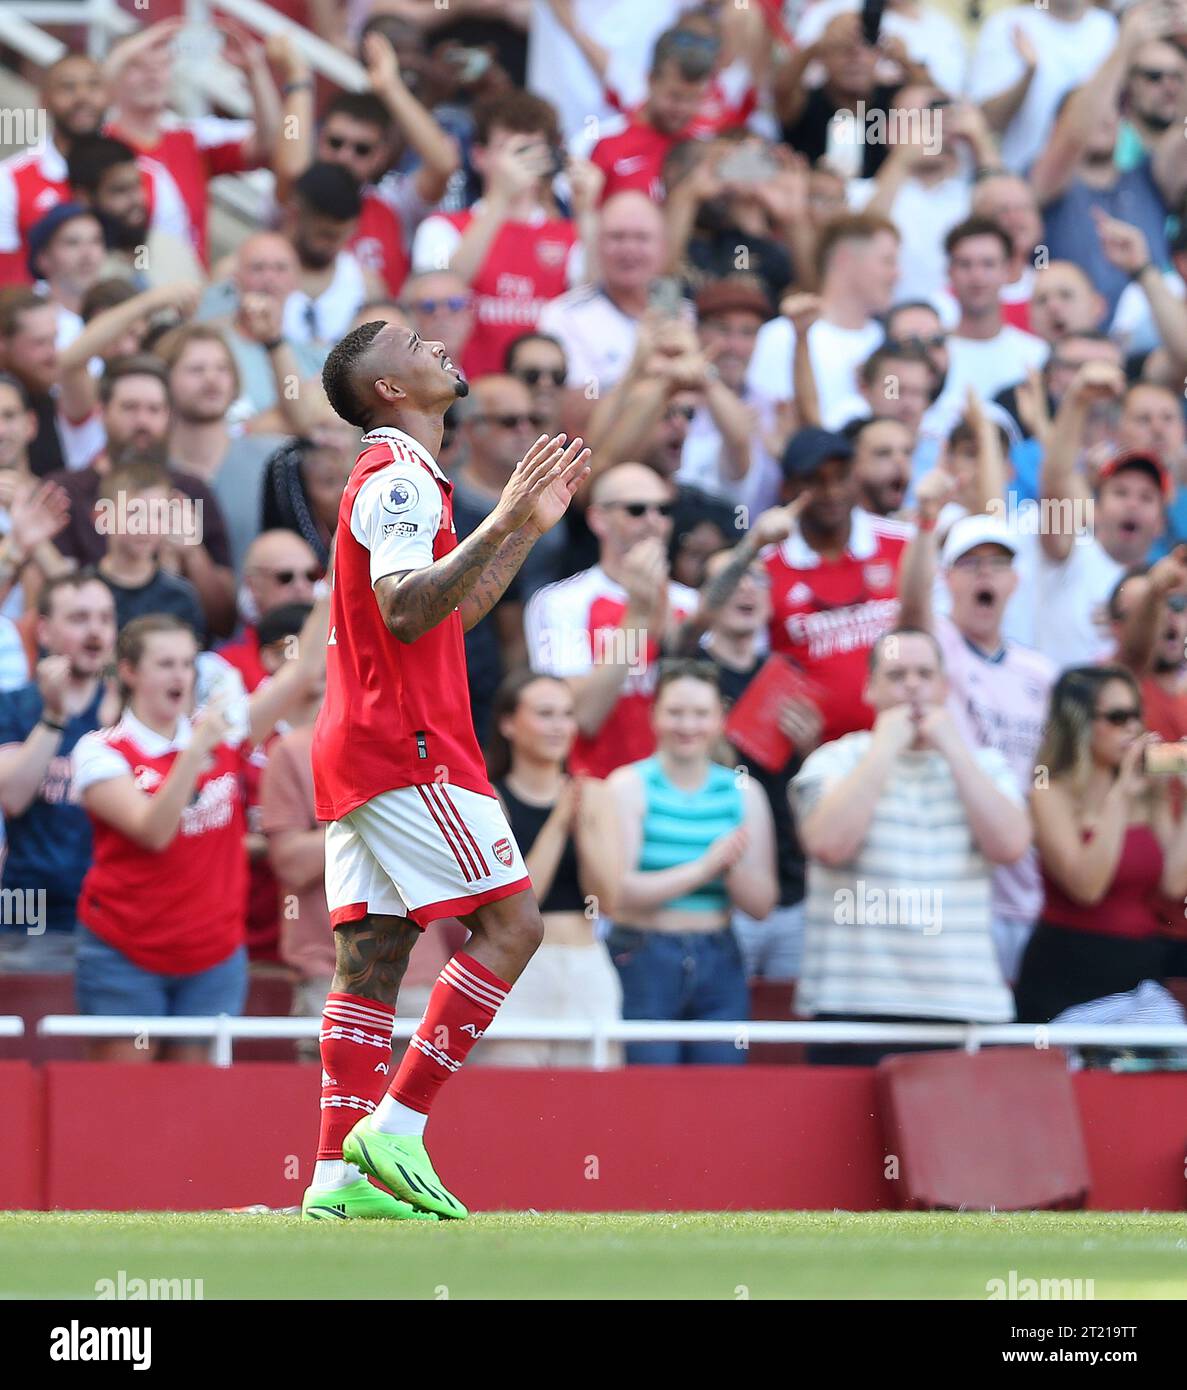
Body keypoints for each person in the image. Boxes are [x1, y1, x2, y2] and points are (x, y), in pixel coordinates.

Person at [304, 315, 590, 1222]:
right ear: (385, 389)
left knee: (373, 958)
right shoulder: (397, 477)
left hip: (359, 739)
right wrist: (501, 515)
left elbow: (447, 614)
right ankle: (398, 1125)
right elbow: (401, 608)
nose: (428, 338)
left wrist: (520, 532)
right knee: (512, 928)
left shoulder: (404, 476)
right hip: (409, 745)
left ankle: (333, 1179)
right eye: (403, 339)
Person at [71, 599, 328, 1061]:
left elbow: (303, 671)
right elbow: (153, 832)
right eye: (165, 664)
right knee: (122, 1103)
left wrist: (332, 584)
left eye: (188, 664)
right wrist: (193, 755)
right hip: (125, 951)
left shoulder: (216, 731)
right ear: (128, 672)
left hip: (213, 954)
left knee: (193, 1104)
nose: (180, 676)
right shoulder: (100, 751)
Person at [792, 628, 1030, 1064]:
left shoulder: (985, 766)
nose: (914, 686)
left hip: (965, 1007)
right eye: (897, 675)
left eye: (925, 673)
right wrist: (883, 750)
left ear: (944, 687)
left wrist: (956, 752)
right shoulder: (832, 760)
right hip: (853, 1005)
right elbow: (827, 843)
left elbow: (1011, 845)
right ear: (869, 688)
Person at [898, 508, 1056, 981]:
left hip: (1023, 876)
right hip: (950, 868)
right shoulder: (935, 647)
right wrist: (926, 522)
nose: (985, 574)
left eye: (998, 563)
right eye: (970, 564)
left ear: (1015, 580)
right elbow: (909, 611)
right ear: (946, 578)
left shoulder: (1042, 674)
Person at [606, 660, 776, 1064]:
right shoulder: (627, 785)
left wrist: (732, 869)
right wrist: (704, 868)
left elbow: (762, 905)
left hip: (720, 956)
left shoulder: (744, 791)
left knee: (719, 1095)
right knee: (650, 1092)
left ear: (720, 718)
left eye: (701, 714)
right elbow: (617, 893)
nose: (688, 725)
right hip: (642, 954)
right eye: (676, 712)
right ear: (654, 715)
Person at [1015, 666, 1187, 1027]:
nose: (1132, 727)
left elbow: (1174, 884)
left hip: (1137, 971)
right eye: (1117, 717)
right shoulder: (1049, 792)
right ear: (1079, 723)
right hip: (1070, 970)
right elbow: (1087, 887)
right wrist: (1120, 795)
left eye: (1136, 715)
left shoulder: (1147, 790)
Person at [477, 670, 623, 1066]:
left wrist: (583, 825)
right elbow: (519, 905)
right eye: (545, 714)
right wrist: (559, 823)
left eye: (567, 714)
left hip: (587, 960)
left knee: (596, 1109)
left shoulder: (595, 793)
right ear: (508, 723)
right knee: (514, 1108)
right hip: (516, 971)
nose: (560, 727)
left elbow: (608, 899)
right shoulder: (487, 798)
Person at [526, 462, 699, 778]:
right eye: (636, 510)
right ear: (598, 520)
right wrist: (637, 618)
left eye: (663, 510)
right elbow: (583, 716)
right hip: (597, 783)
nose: (653, 521)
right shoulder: (560, 602)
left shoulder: (691, 602)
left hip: (680, 789)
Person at [410, 92, 584, 378]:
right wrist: (500, 199)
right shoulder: (442, 227)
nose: (521, 162)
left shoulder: (569, 234)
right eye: (509, 149)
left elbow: (589, 311)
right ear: (479, 156)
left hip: (540, 398)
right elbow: (441, 290)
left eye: (531, 150)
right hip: (462, 392)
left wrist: (588, 213)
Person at [0, 572, 119, 972]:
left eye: (105, 619)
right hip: (30, 919)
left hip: (116, 919)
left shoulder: (130, 712)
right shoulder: (13, 707)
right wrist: (54, 717)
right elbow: (12, 797)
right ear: (45, 631)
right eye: (80, 618)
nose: (95, 631)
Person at [765, 427, 911, 747]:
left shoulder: (903, 544)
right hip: (811, 759)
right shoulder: (766, 567)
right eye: (815, 480)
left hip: (904, 746)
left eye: (841, 476)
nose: (831, 491)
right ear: (788, 488)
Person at [746, 214, 900, 430]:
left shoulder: (888, 342)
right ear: (844, 259)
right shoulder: (781, 335)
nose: (897, 274)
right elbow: (774, 429)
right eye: (887, 261)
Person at [587, 25, 714, 202]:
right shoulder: (601, 139)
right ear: (650, 80)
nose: (683, 108)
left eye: (694, 98)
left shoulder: (709, 144)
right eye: (675, 96)